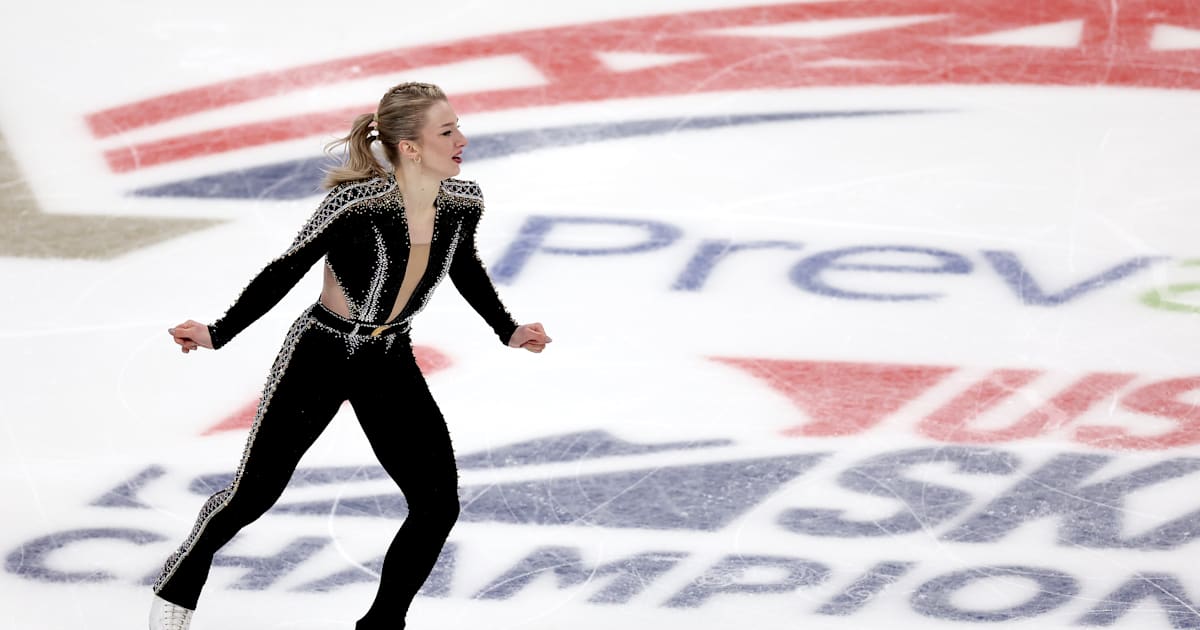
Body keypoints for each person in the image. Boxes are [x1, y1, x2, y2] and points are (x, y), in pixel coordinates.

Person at [148, 81, 552, 630]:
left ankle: (382, 625)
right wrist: (220, 332)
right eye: (448, 130)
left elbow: (465, 268)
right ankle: (178, 585)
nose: (463, 138)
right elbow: (286, 268)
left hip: (389, 358)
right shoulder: (356, 203)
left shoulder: (463, 202)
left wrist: (508, 328)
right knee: (254, 493)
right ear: (410, 146)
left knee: (437, 504)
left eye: (458, 126)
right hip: (321, 351)